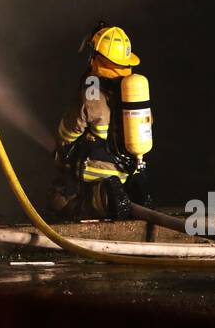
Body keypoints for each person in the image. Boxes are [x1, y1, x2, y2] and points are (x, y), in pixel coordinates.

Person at [48, 24, 153, 220]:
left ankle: (101, 200)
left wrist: (61, 153)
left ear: (96, 56)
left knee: (58, 200)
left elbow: (67, 132)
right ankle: (127, 195)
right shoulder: (134, 90)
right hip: (128, 172)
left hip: (96, 176)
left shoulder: (92, 90)